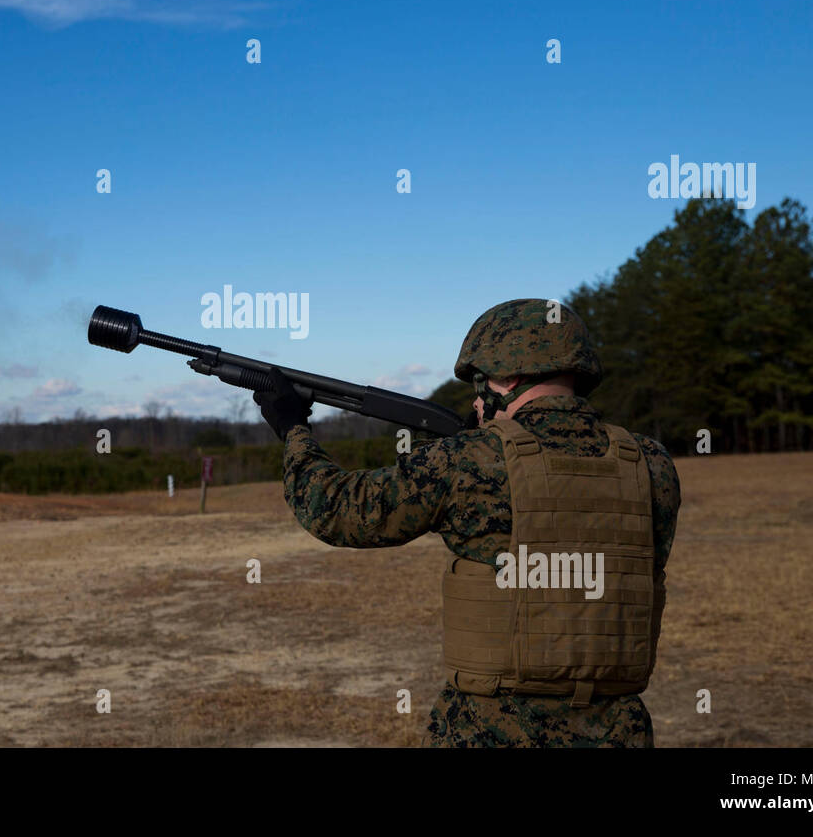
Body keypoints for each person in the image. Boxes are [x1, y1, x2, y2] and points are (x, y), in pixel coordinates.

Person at [253, 298, 680, 747]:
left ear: (510, 376)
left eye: (481, 383)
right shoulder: (650, 462)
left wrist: (293, 430)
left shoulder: (466, 460)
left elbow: (336, 509)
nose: (476, 400)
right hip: (619, 731)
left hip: (491, 729)